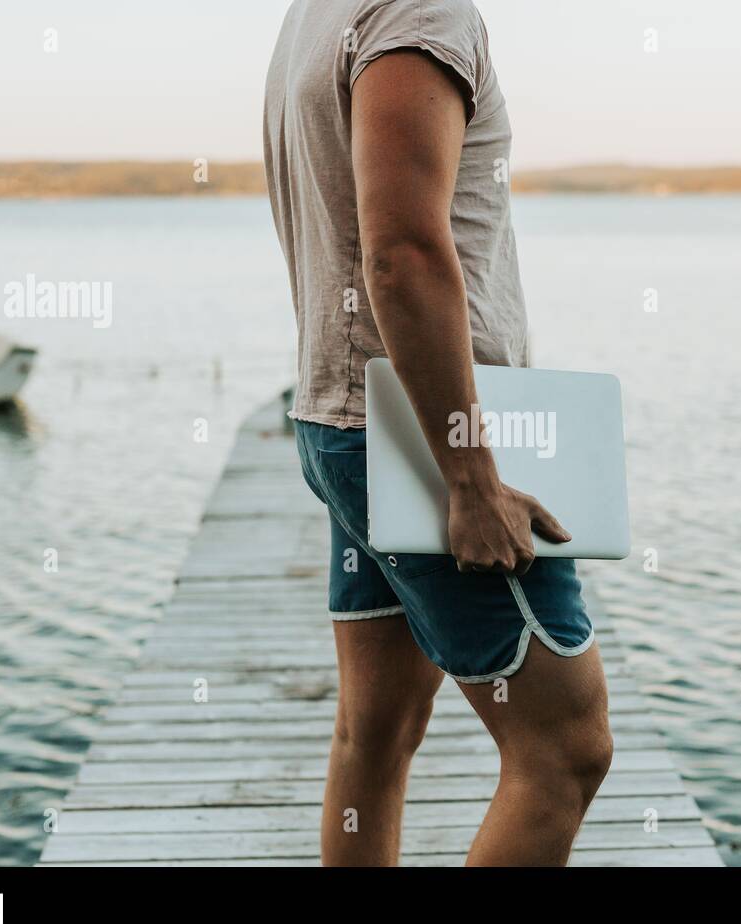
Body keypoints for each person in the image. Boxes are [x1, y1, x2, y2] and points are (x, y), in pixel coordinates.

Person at [263, 0, 612, 866]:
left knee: (375, 732)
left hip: (348, 419)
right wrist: (470, 478)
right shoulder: (422, 14)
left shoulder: (321, 12)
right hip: (416, 440)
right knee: (564, 750)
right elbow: (402, 252)